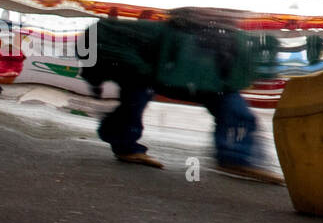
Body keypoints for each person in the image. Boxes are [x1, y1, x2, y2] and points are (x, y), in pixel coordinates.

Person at [87, 12, 284, 184]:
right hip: (158, 74)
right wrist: (139, 69)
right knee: (134, 100)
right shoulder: (162, 31)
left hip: (207, 83)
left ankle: (236, 158)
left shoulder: (236, 39)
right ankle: (125, 145)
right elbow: (104, 38)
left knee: (237, 112)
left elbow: (238, 71)